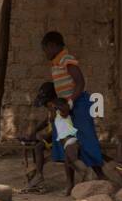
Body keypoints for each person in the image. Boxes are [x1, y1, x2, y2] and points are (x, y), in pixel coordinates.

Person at [41, 31, 106, 190]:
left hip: (78, 103)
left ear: (53, 45)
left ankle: (101, 176)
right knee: (65, 143)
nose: (45, 53)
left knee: (86, 140)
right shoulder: (55, 64)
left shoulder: (66, 59)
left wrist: (70, 103)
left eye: (45, 49)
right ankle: (70, 183)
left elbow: (80, 83)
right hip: (65, 105)